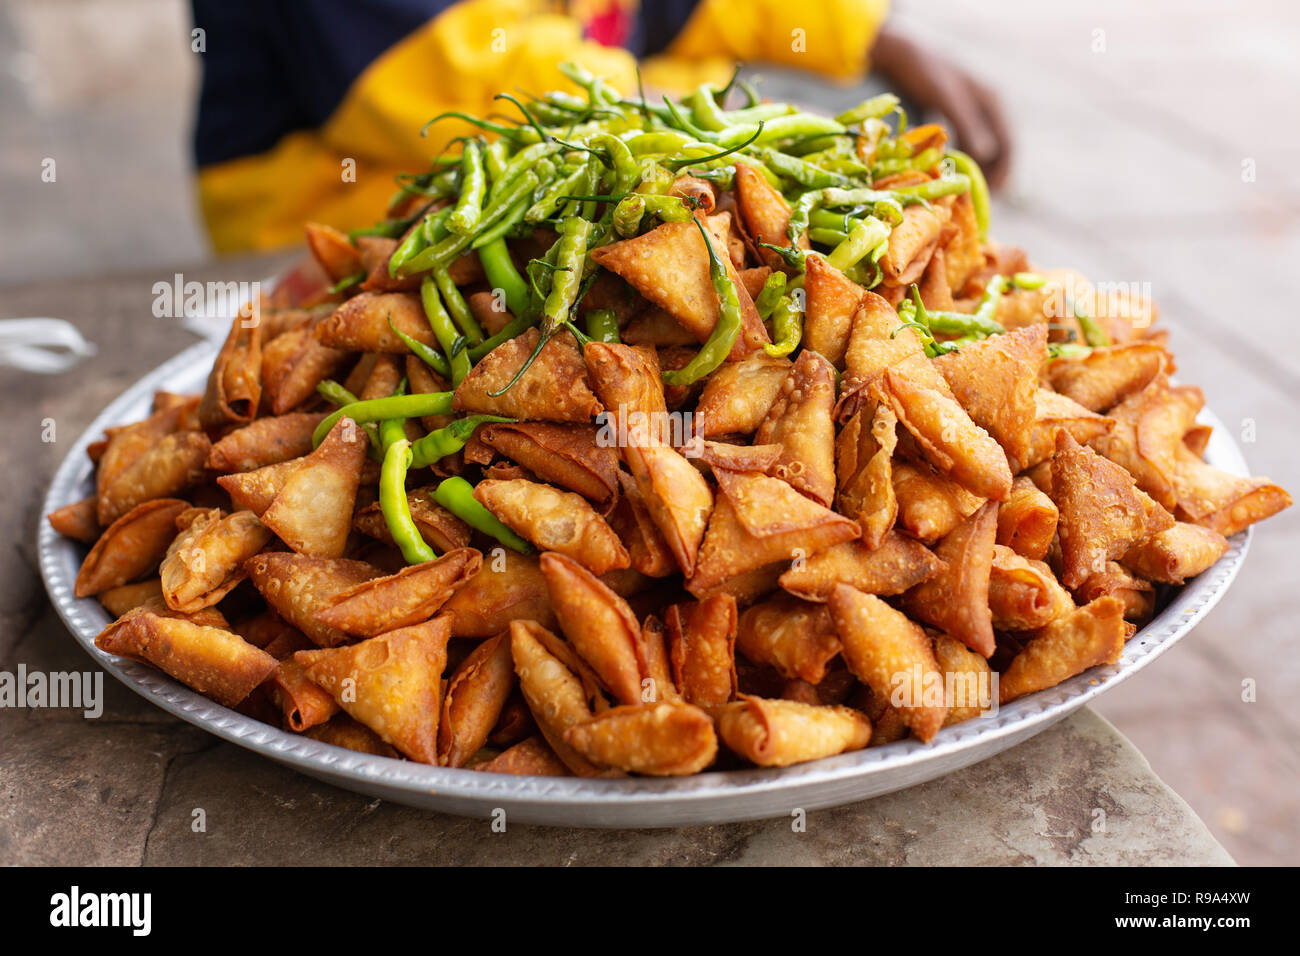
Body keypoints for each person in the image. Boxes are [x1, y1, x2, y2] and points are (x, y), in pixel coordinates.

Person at [191, 0, 1011, 253]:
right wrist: (750, 131)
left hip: (556, 200)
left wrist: (865, 35)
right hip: (342, 233)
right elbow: (467, 71)